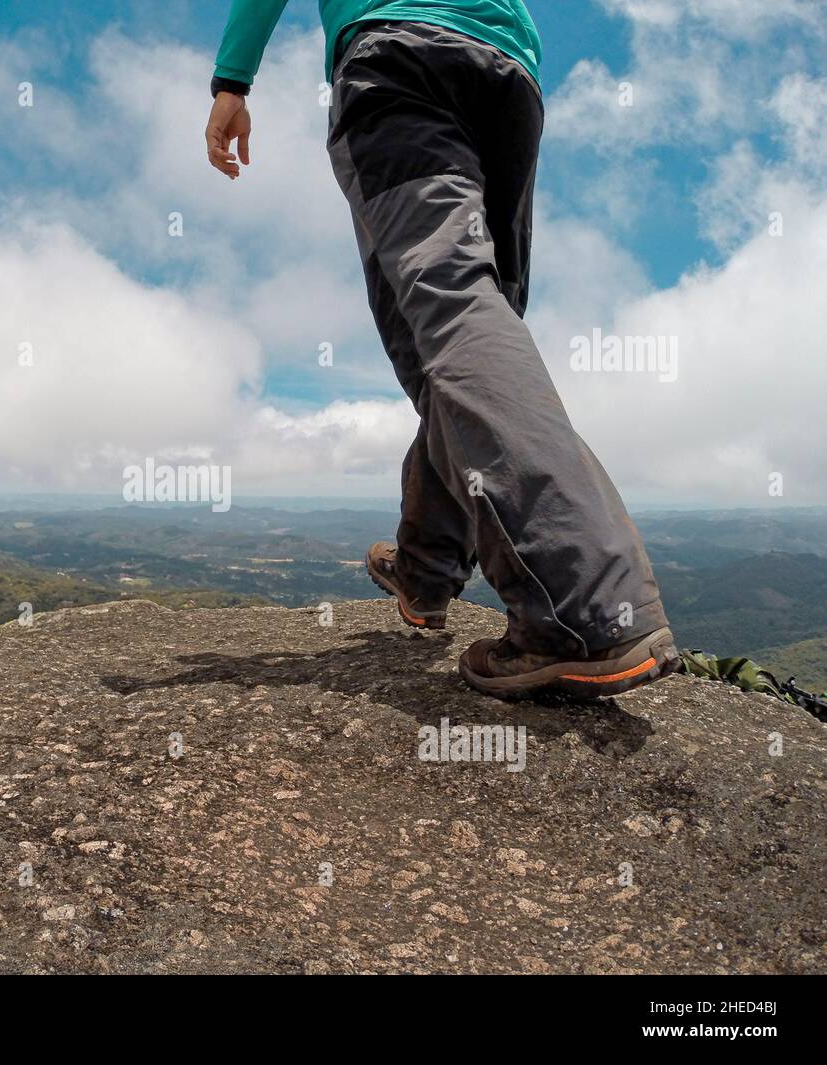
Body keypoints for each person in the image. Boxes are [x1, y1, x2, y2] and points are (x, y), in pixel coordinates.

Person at [204, 1, 681, 700]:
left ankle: (585, 610)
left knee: (450, 311)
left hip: (399, 61)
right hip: (508, 76)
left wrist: (231, 83)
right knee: (470, 327)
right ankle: (426, 571)